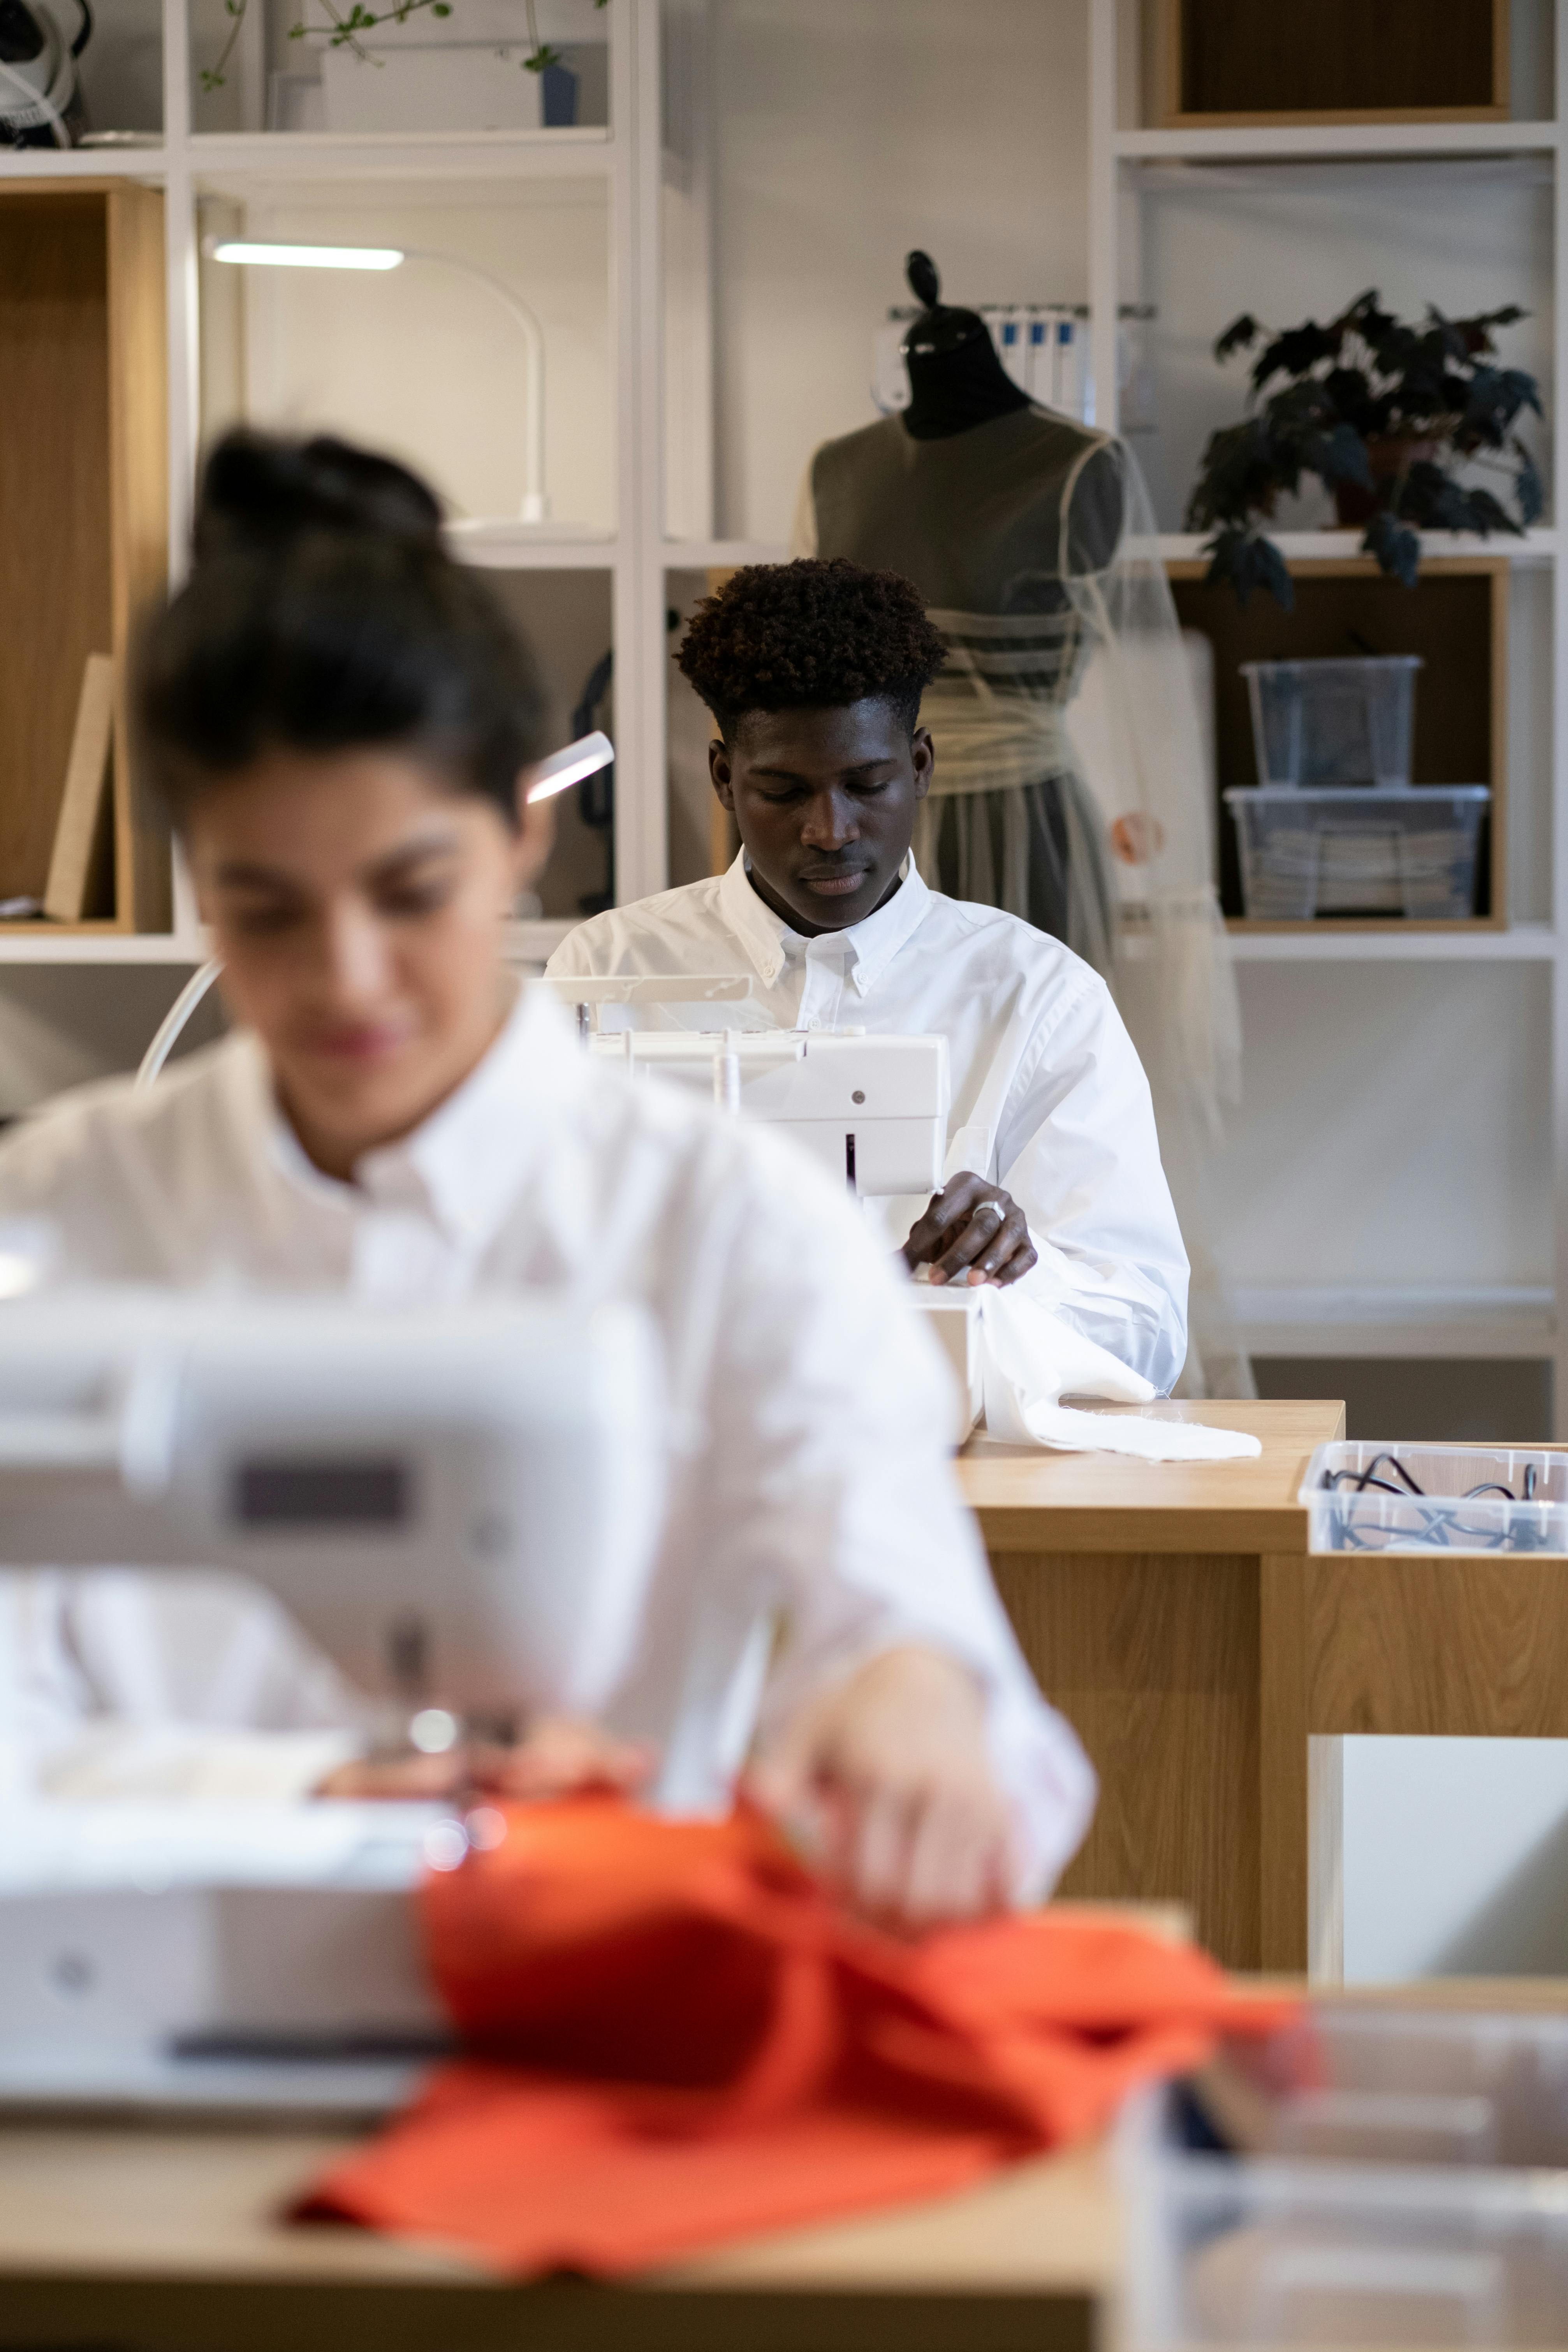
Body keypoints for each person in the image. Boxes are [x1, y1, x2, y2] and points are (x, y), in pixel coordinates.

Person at [0, 431, 1095, 1928]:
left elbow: (914, 1632)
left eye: (408, 891)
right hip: (131, 1991)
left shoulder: (727, 1230)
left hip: (591, 2011)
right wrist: (284, 1802)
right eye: (263, 909)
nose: (346, 978)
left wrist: (911, 1702)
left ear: (517, 831)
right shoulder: (60, 1221)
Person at [547, 557, 1190, 1392]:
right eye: (782, 791)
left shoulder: (1039, 999)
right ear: (722, 779)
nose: (828, 829)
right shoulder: (604, 974)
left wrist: (1018, 1272)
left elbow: (1146, 1335)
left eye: (867, 784)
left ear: (920, 765)